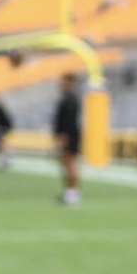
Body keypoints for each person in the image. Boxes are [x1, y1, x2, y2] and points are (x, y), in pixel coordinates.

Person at [53, 73, 82, 204]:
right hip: (68, 135)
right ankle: (70, 191)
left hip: (69, 136)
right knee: (67, 164)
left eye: (64, 81)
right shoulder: (67, 98)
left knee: (69, 164)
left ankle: (72, 192)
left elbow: (68, 121)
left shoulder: (70, 99)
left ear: (70, 82)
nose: (61, 84)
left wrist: (63, 137)